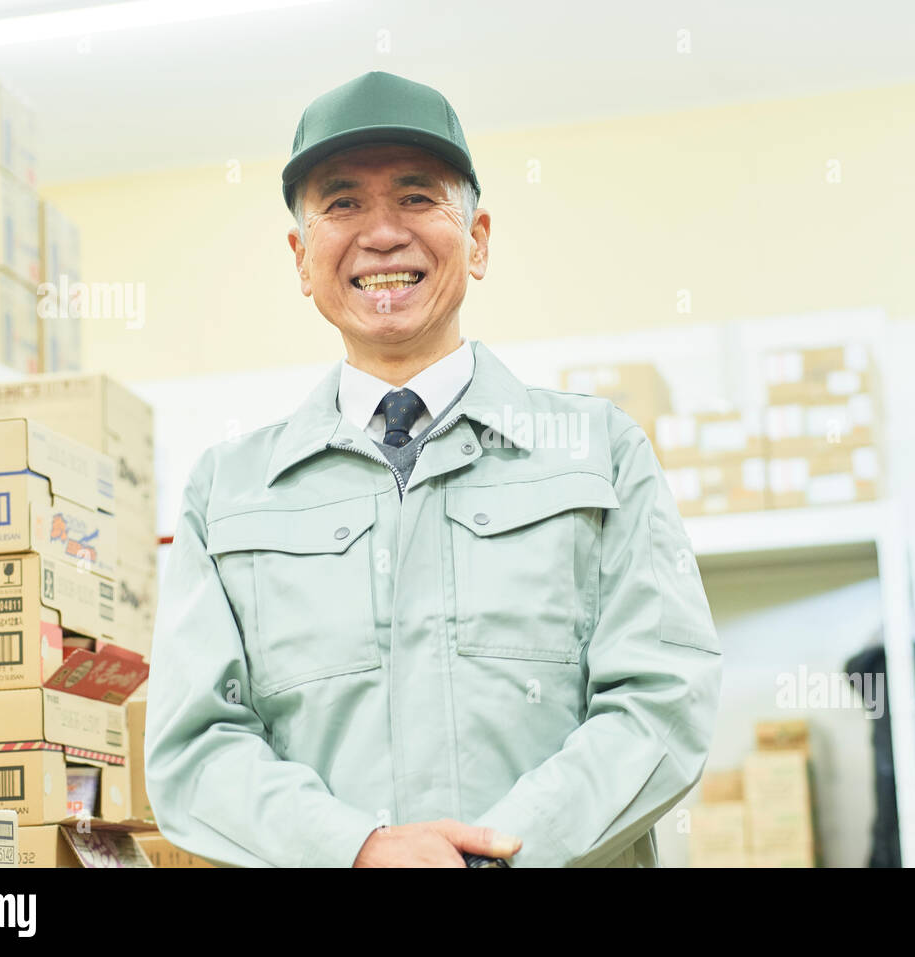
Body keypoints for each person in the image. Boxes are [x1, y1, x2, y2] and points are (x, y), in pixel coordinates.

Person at [144, 70, 723, 867]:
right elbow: (195, 750)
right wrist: (357, 850)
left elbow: (663, 701)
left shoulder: (600, 453)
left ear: (478, 238)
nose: (382, 234)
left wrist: (497, 854)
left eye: (417, 197)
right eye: (342, 203)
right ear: (301, 257)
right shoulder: (228, 492)